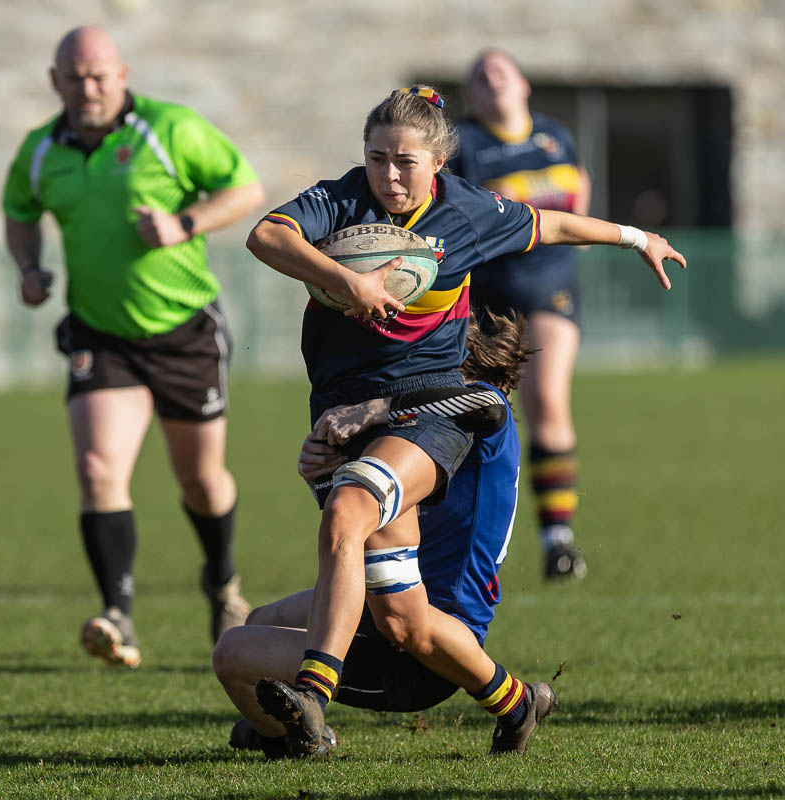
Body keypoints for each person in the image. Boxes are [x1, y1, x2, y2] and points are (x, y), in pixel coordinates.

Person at [245, 85, 685, 756]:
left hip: (428, 409)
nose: (390, 175)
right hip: (347, 414)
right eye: (377, 157)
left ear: (441, 162)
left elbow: (554, 224)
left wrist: (636, 237)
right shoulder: (338, 201)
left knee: (349, 513)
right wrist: (346, 277)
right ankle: (513, 703)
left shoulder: (467, 212)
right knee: (389, 620)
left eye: (406, 161)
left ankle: (312, 693)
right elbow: (266, 234)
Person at [2, 26, 265, 668]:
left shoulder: (170, 129)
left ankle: (222, 582)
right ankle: (117, 612)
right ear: (54, 80)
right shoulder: (41, 150)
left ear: (121, 73)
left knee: (200, 480)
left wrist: (185, 224)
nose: (87, 87)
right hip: (100, 334)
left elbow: (246, 190)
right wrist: (30, 269)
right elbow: (19, 210)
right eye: (74, 76)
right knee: (98, 471)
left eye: (98, 75)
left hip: (184, 331)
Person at [214, 311, 557, 759]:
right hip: (390, 603)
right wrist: (319, 472)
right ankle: (285, 727)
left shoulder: (478, 407)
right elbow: (355, 519)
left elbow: (485, 403)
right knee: (259, 622)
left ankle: (292, 735)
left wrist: (379, 407)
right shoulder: (422, 434)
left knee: (232, 651)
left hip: (426, 645)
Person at [449, 49, 592, 581]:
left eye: (501, 72)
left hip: (553, 286)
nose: (492, 82)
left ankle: (558, 540)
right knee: (479, 418)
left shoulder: (556, 134)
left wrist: (576, 237)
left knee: (548, 397)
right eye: (480, 78)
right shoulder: (464, 145)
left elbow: (579, 181)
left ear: (524, 83)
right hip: (488, 299)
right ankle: (465, 540)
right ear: (474, 96)